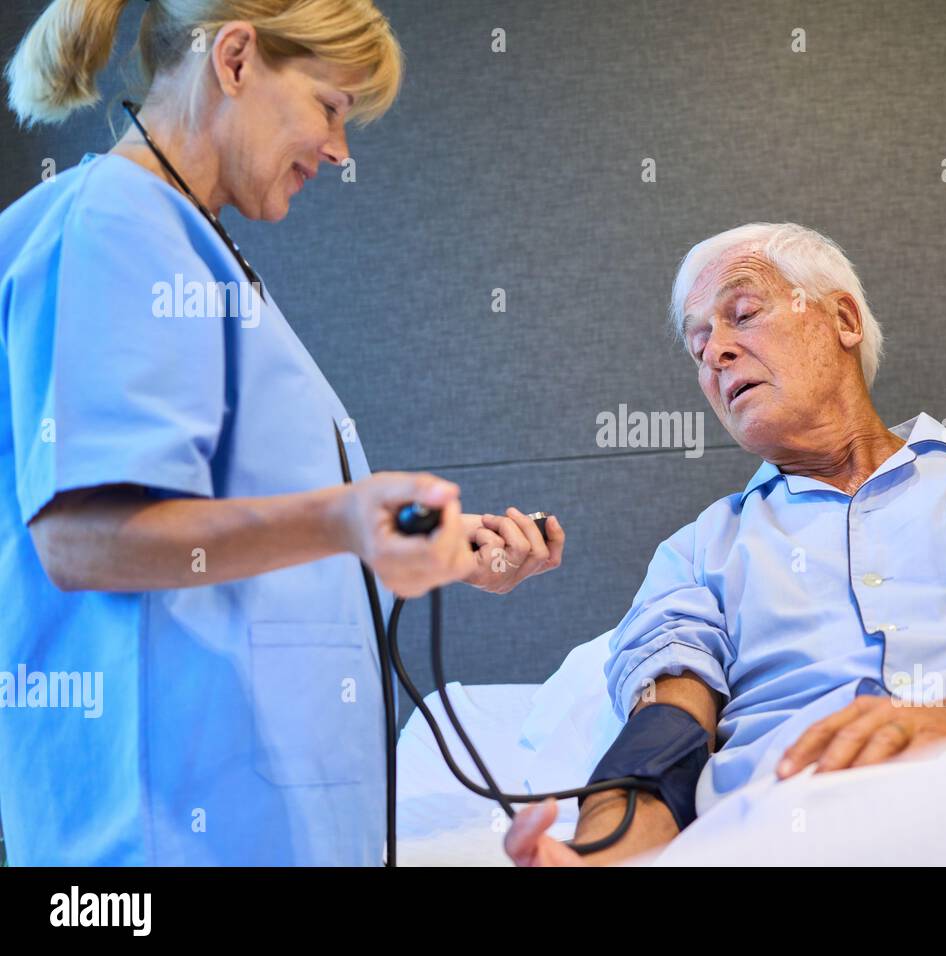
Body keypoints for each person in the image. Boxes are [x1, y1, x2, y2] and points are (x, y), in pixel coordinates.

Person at [0, 0, 563, 865]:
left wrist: (428, 540)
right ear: (233, 60)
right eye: (331, 108)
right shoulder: (117, 224)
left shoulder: (193, 252)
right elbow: (86, 539)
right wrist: (345, 519)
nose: (339, 151)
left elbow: (251, 558)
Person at [503, 222, 946, 866]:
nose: (715, 351)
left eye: (742, 315)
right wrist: (597, 853)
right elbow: (666, 735)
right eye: (697, 345)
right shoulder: (698, 550)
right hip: (789, 826)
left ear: (842, 319)